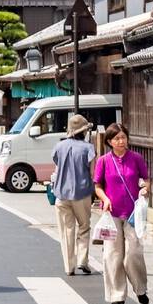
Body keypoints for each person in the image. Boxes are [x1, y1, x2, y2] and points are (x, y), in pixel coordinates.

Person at [92, 123, 149, 304]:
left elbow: (146, 180)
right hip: (112, 213)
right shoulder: (103, 161)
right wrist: (105, 199)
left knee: (134, 253)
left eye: (123, 137)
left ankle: (140, 289)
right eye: (116, 138)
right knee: (112, 255)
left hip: (133, 213)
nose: (121, 141)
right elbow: (98, 186)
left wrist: (145, 189)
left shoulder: (136, 158)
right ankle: (117, 295)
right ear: (109, 141)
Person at [51, 113, 96, 278]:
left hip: (61, 194)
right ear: (84, 131)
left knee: (66, 230)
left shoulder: (59, 146)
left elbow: (56, 164)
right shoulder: (88, 148)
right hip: (82, 193)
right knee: (84, 227)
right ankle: (82, 261)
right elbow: (92, 173)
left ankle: (68, 266)